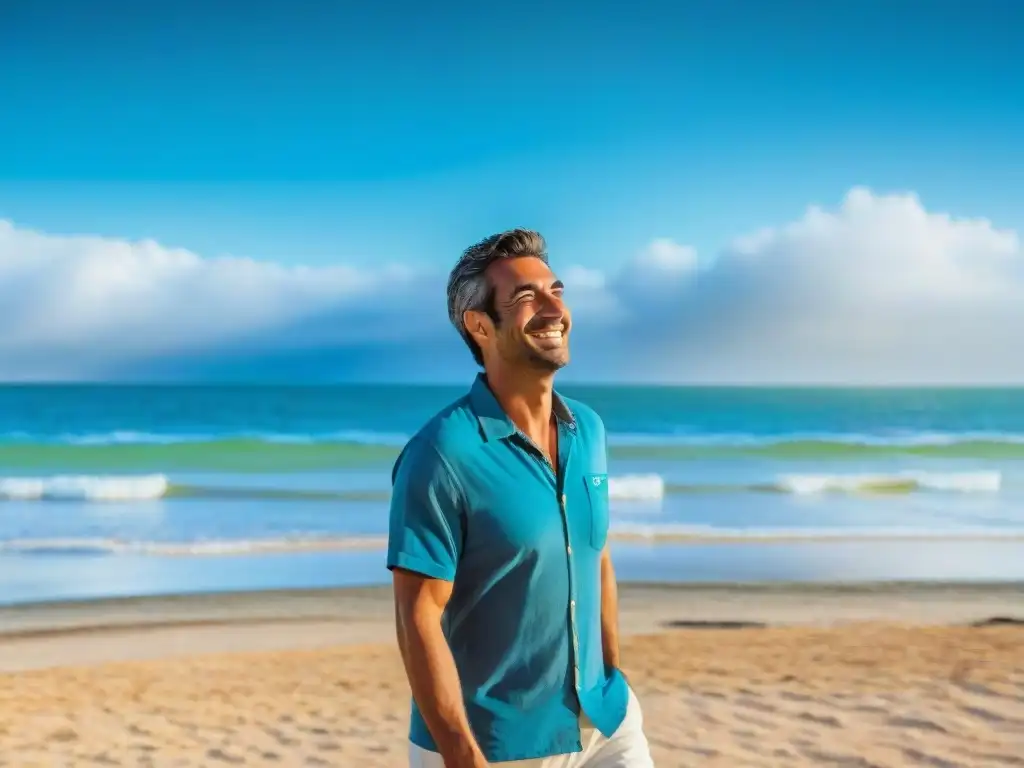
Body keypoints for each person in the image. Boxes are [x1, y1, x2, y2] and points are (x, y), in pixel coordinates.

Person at [387, 229, 655, 767]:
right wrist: (463, 757)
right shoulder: (440, 454)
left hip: (606, 722)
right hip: (494, 746)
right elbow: (417, 616)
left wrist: (611, 670)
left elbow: (595, 553)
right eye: (527, 298)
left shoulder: (588, 429)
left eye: (556, 291)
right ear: (481, 326)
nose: (555, 308)